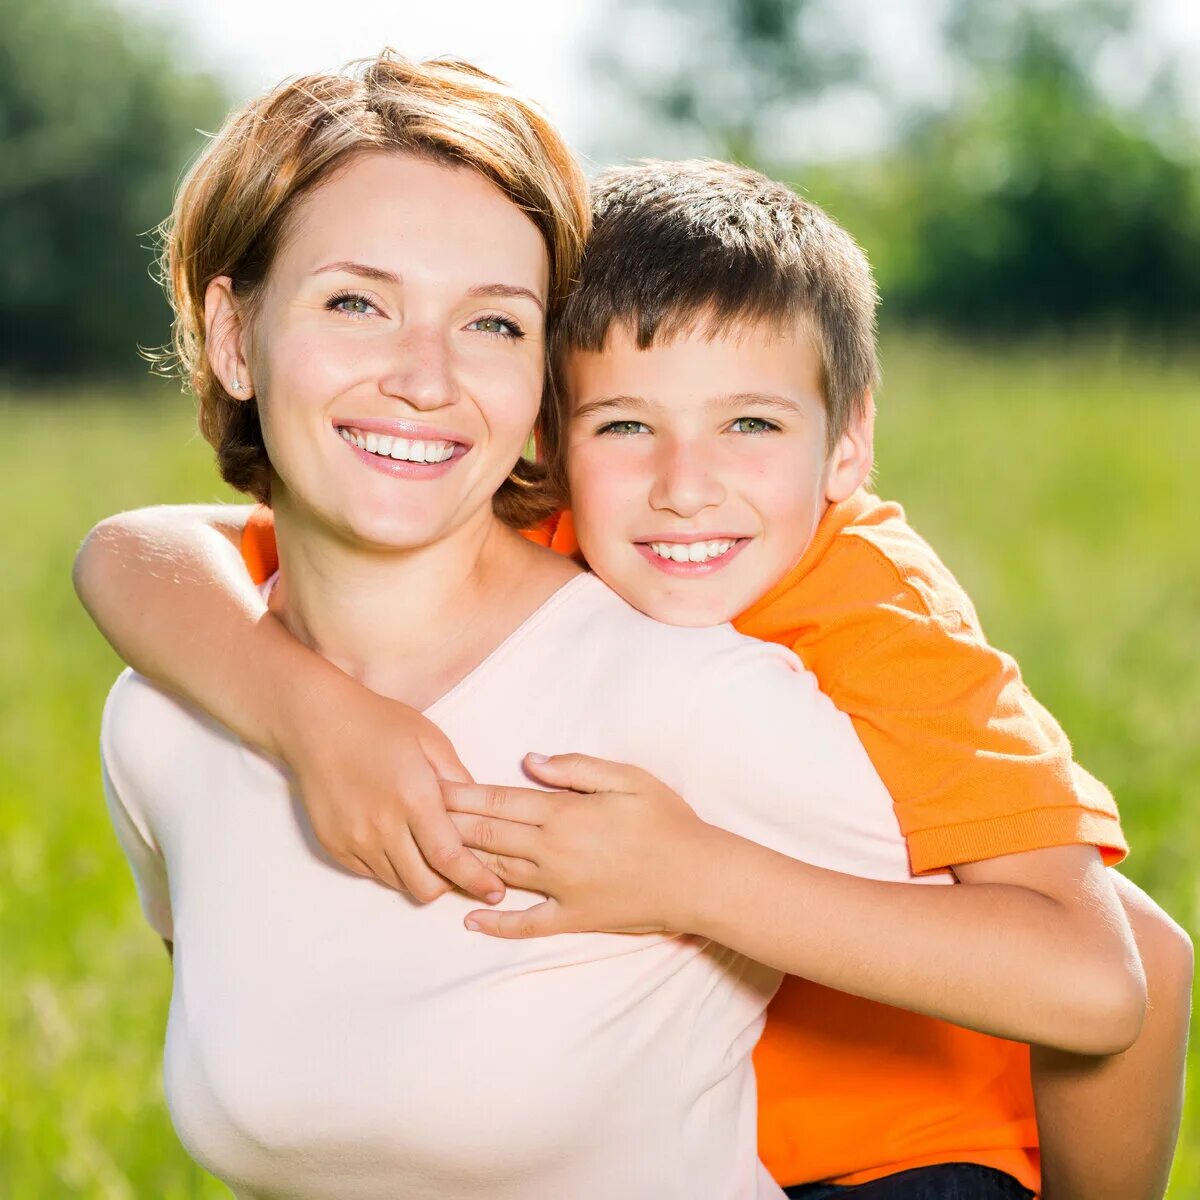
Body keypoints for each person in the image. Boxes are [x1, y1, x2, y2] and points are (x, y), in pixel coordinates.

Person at [76, 67, 1167, 1200]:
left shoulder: (815, 628)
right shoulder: (515, 538)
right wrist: (312, 719)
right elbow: (132, 550)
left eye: (491, 321)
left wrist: (691, 876)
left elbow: (1130, 968)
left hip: (913, 1159)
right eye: (356, 301)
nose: (685, 488)